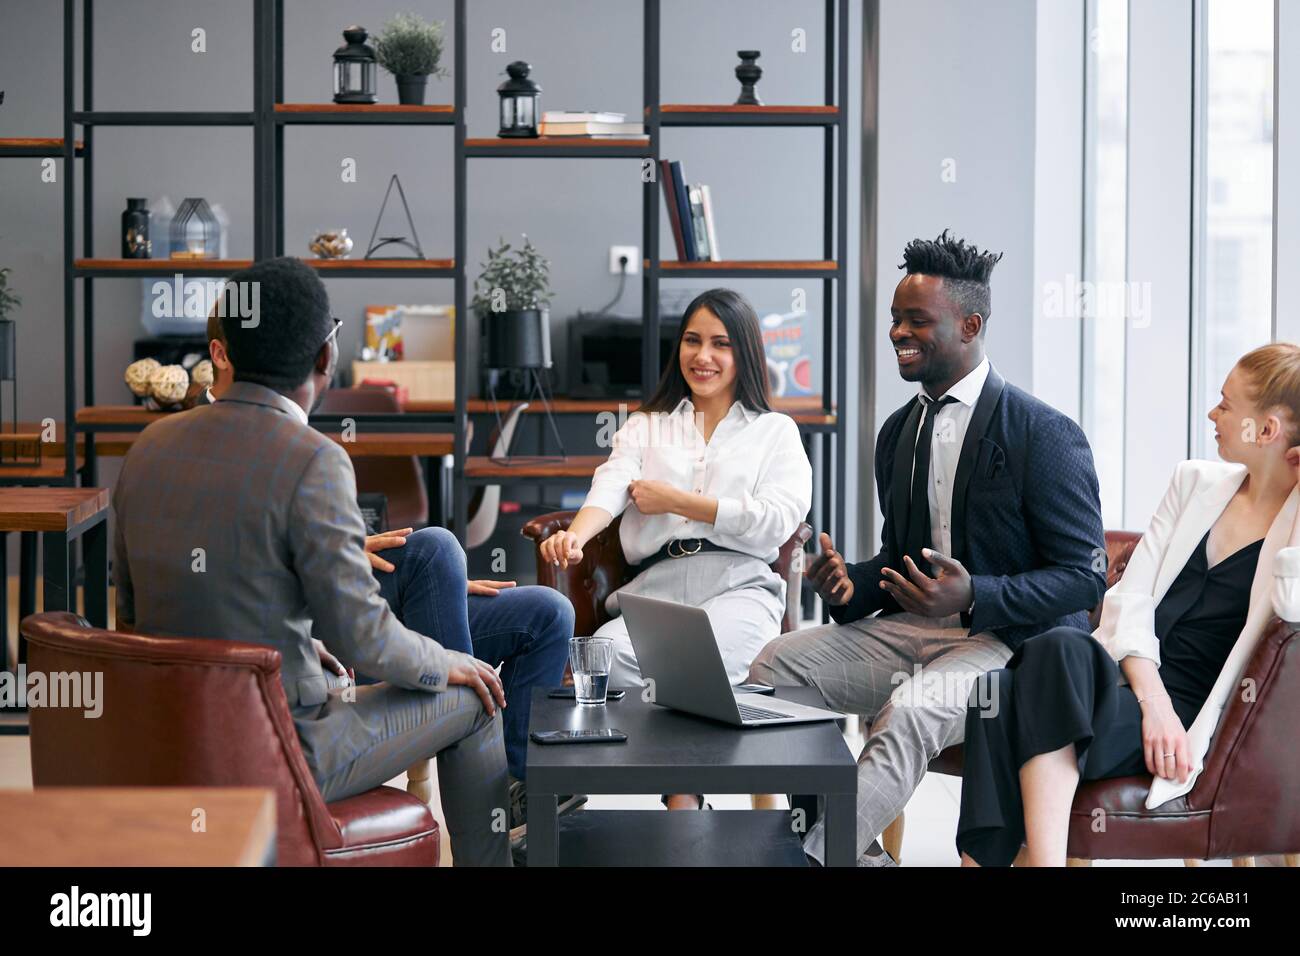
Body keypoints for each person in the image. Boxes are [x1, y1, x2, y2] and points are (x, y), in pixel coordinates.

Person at [115, 257, 512, 865]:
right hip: (278, 748)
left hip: (175, 734)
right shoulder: (314, 458)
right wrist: (450, 661)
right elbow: (366, 640)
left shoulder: (147, 447)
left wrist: (297, 653)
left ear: (223, 351)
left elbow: (137, 614)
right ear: (326, 358)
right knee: (476, 695)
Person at [749, 231, 1108, 866]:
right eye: (894, 319)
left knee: (910, 710)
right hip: (913, 629)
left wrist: (977, 593)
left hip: (1011, 646)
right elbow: (899, 557)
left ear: (970, 324)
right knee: (775, 667)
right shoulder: (898, 432)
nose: (897, 332)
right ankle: (852, 855)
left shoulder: (1043, 433)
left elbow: (1085, 578)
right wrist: (849, 583)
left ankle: (812, 859)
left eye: (917, 320)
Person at [203, 301, 577, 840]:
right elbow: (257, 578)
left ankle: (517, 790)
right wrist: (346, 554)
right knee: (439, 565)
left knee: (543, 608)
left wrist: (355, 551)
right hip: (323, 625)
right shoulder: (217, 443)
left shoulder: (282, 435)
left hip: (354, 583)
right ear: (223, 354)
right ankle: (484, 802)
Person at [956, 344, 1300, 866]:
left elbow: (1293, 608)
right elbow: (1128, 599)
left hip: (1193, 719)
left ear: (1268, 430)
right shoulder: (1194, 484)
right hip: (1131, 692)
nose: (1213, 413)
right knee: (1015, 680)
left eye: (1227, 405)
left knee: (1006, 691)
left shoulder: (1293, 526)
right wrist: (1152, 702)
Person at [539, 288, 812, 810]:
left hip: (739, 584)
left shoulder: (776, 433)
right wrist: (576, 535)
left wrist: (681, 501)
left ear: (745, 354)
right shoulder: (646, 426)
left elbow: (778, 520)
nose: (702, 356)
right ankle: (683, 793)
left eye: (720, 344)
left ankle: (682, 796)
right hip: (655, 591)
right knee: (604, 662)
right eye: (691, 341)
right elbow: (609, 486)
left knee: (708, 663)